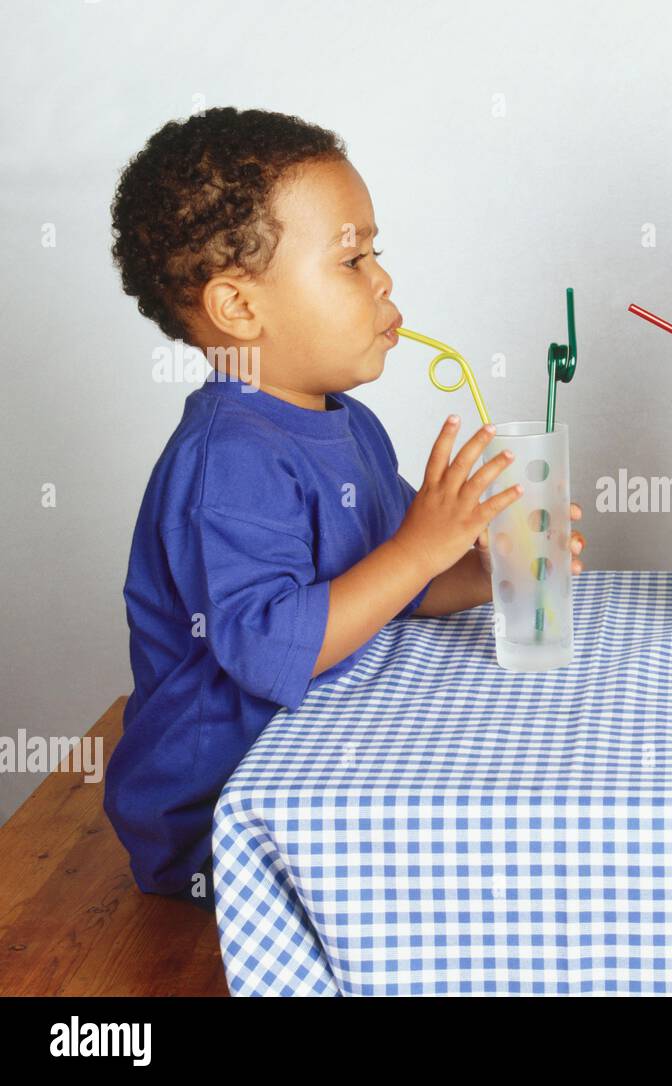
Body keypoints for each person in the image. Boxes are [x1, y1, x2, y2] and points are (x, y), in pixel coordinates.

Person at [104, 107, 586, 908]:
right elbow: (268, 651)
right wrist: (423, 548)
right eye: (352, 258)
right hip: (226, 817)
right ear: (240, 308)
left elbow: (395, 579)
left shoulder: (345, 421)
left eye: (376, 253)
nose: (383, 280)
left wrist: (483, 564)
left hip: (331, 755)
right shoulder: (226, 459)